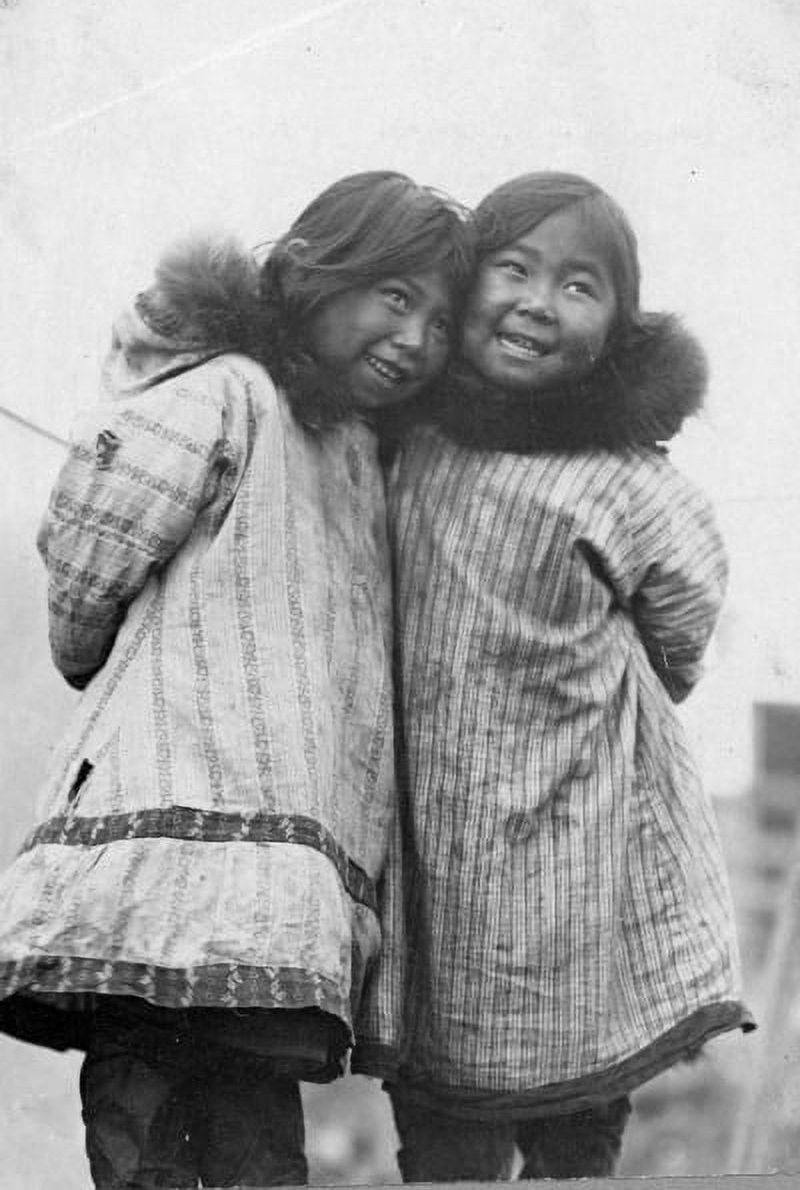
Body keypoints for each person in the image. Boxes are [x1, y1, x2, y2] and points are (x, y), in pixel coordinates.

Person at [0, 170, 473, 1188]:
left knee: (255, 1131)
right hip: (170, 823)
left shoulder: (355, 460)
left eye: (438, 320)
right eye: (395, 295)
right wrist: (87, 647)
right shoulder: (233, 391)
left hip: (272, 891)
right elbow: (98, 524)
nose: (415, 336)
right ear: (314, 271)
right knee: (144, 1109)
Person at [352, 171, 754, 1180]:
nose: (537, 302)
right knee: (444, 1141)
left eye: (578, 286)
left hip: (579, 851)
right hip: (439, 860)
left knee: (576, 1134)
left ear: (616, 324)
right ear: (466, 278)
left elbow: (682, 622)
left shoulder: (620, 477)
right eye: (513, 268)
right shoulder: (409, 441)